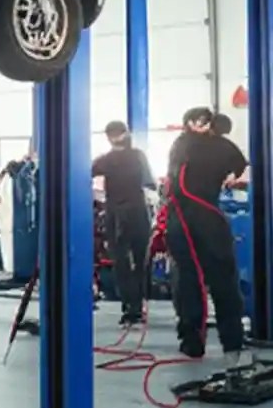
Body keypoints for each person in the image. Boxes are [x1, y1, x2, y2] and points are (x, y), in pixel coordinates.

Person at [164, 107, 250, 367]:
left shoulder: (179, 145)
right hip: (210, 220)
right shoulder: (223, 146)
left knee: (186, 280)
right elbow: (242, 168)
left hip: (179, 221)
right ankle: (232, 345)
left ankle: (192, 343)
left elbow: (175, 182)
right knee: (224, 281)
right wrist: (230, 179)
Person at [91, 121, 156, 326]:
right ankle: (135, 304)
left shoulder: (105, 160)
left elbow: (83, 173)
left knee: (123, 262)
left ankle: (131, 305)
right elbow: (150, 183)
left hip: (118, 214)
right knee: (137, 260)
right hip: (134, 213)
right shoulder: (136, 157)